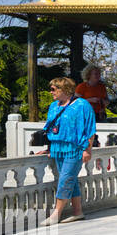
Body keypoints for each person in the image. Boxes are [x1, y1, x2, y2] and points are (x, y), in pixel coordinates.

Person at [40, 77, 97, 226]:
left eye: (53, 89)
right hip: (58, 148)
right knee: (70, 180)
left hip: (75, 148)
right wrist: (48, 148)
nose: (50, 92)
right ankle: (77, 212)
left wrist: (87, 150)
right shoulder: (53, 106)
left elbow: (90, 130)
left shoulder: (82, 105)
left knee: (65, 179)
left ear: (64, 89)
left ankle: (56, 214)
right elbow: (50, 128)